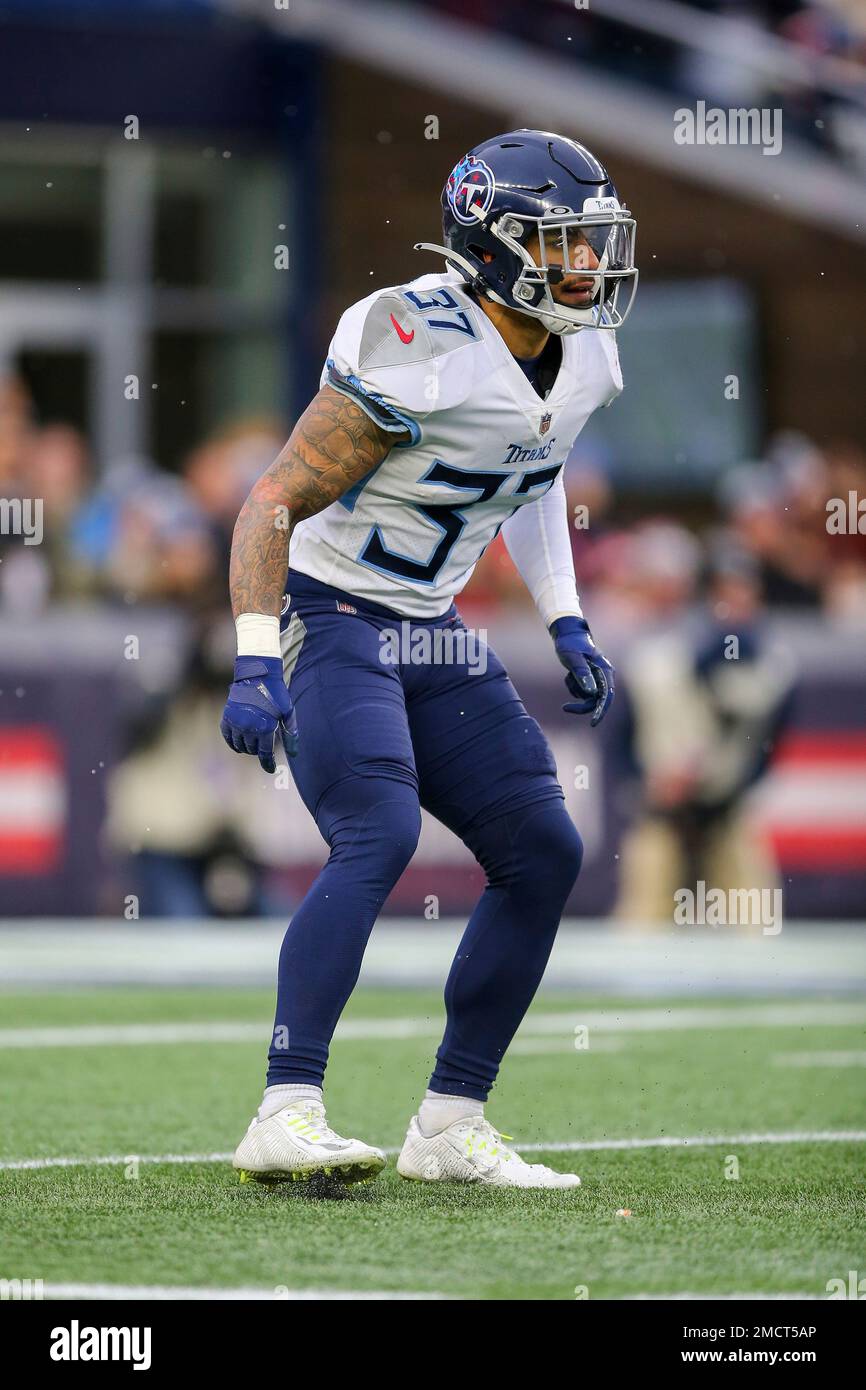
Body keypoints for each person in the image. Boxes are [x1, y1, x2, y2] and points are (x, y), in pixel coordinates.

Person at [219, 130, 638, 1189]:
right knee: (378, 827)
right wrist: (255, 655)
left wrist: (565, 618)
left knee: (541, 846)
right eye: (562, 244)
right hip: (329, 602)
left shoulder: (582, 353)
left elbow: (531, 472)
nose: (587, 265)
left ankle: (448, 1123)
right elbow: (270, 500)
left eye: (590, 243)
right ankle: (285, 1106)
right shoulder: (415, 338)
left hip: (428, 617)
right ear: (493, 247)